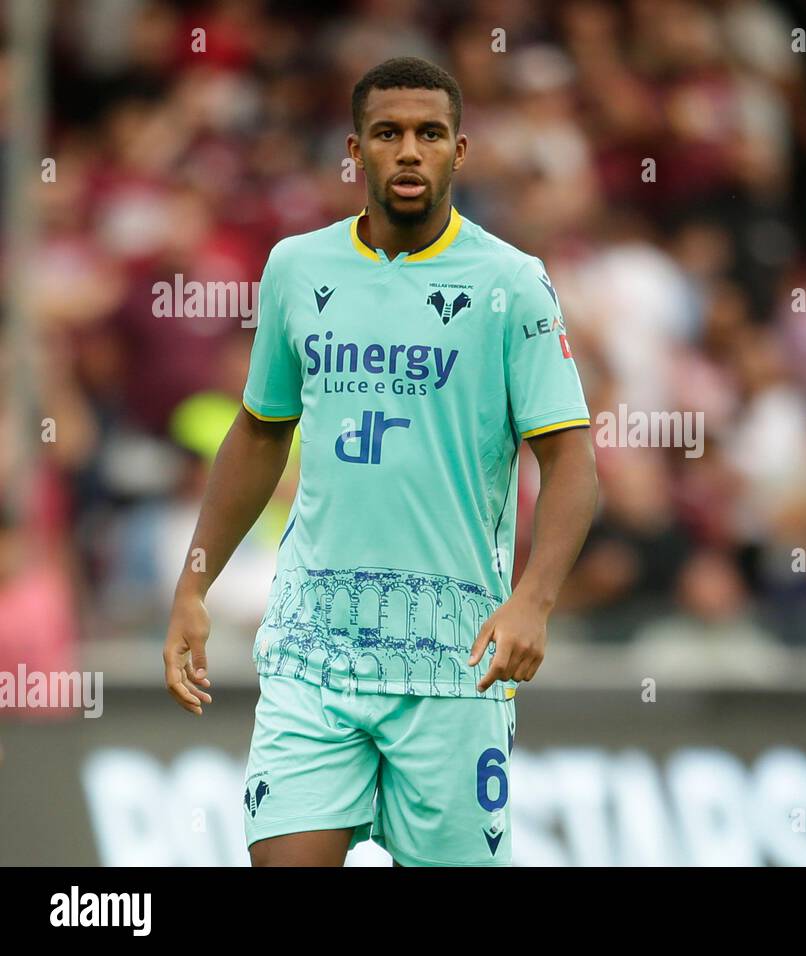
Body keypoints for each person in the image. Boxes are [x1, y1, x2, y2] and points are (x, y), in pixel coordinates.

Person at [161, 57, 598, 867]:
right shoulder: (298, 267)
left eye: (429, 134)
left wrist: (534, 600)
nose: (408, 151)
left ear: (459, 151)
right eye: (387, 134)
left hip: (456, 660)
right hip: (311, 649)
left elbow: (572, 463)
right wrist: (195, 584)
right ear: (355, 151)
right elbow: (259, 435)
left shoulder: (512, 284)